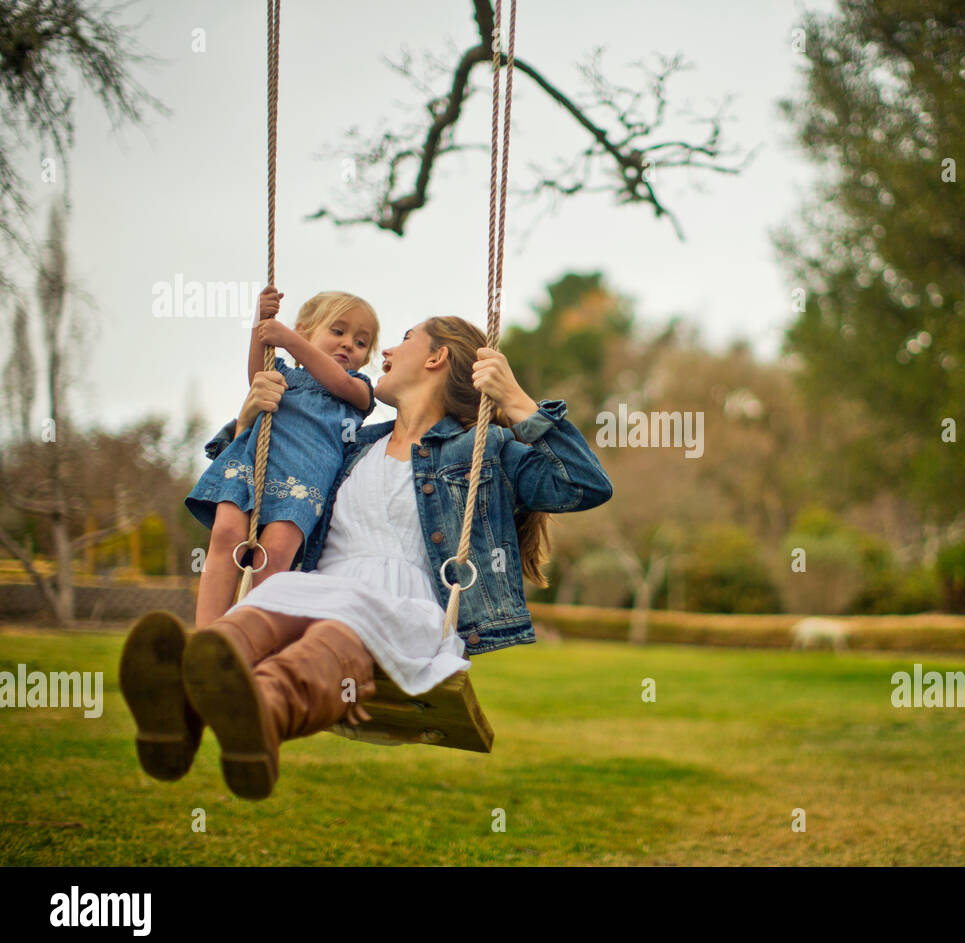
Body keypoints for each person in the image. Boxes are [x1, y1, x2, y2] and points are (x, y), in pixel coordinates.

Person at [119, 315, 613, 800]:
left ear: (437, 357)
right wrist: (247, 424)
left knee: (340, 625)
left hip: (406, 610)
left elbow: (582, 484)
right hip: (319, 588)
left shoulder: (482, 448)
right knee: (268, 606)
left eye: (404, 339)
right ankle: (178, 706)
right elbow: (274, 483)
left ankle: (263, 713)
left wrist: (515, 400)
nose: (386, 352)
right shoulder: (352, 444)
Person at [185, 286, 379, 627]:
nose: (349, 343)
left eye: (361, 342)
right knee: (226, 532)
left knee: (273, 555)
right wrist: (261, 318)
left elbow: (338, 382)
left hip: (304, 484)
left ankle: (244, 637)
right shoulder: (280, 374)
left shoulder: (357, 390)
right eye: (338, 331)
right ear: (305, 329)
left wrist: (288, 339)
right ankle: (205, 633)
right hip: (253, 467)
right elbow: (255, 370)